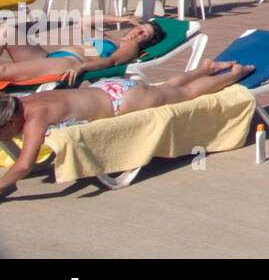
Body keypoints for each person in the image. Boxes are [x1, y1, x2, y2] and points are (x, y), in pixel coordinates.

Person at [0, 59, 254, 196]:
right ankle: (205, 68)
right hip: (107, 88)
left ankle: (232, 74)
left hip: (123, 101)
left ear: (11, 121)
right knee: (164, 89)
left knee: (184, 94)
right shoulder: (21, 101)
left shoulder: (35, 117)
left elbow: (24, 164)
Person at [0, 18, 164, 85]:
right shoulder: (108, 38)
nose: (137, 33)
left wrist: (83, 67)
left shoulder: (130, 47)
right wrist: (120, 19)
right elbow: (83, 21)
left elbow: (112, 62)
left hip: (68, 64)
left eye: (144, 34)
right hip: (49, 57)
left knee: (4, 71)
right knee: (7, 31)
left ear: (146, 42)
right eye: (139, 28)